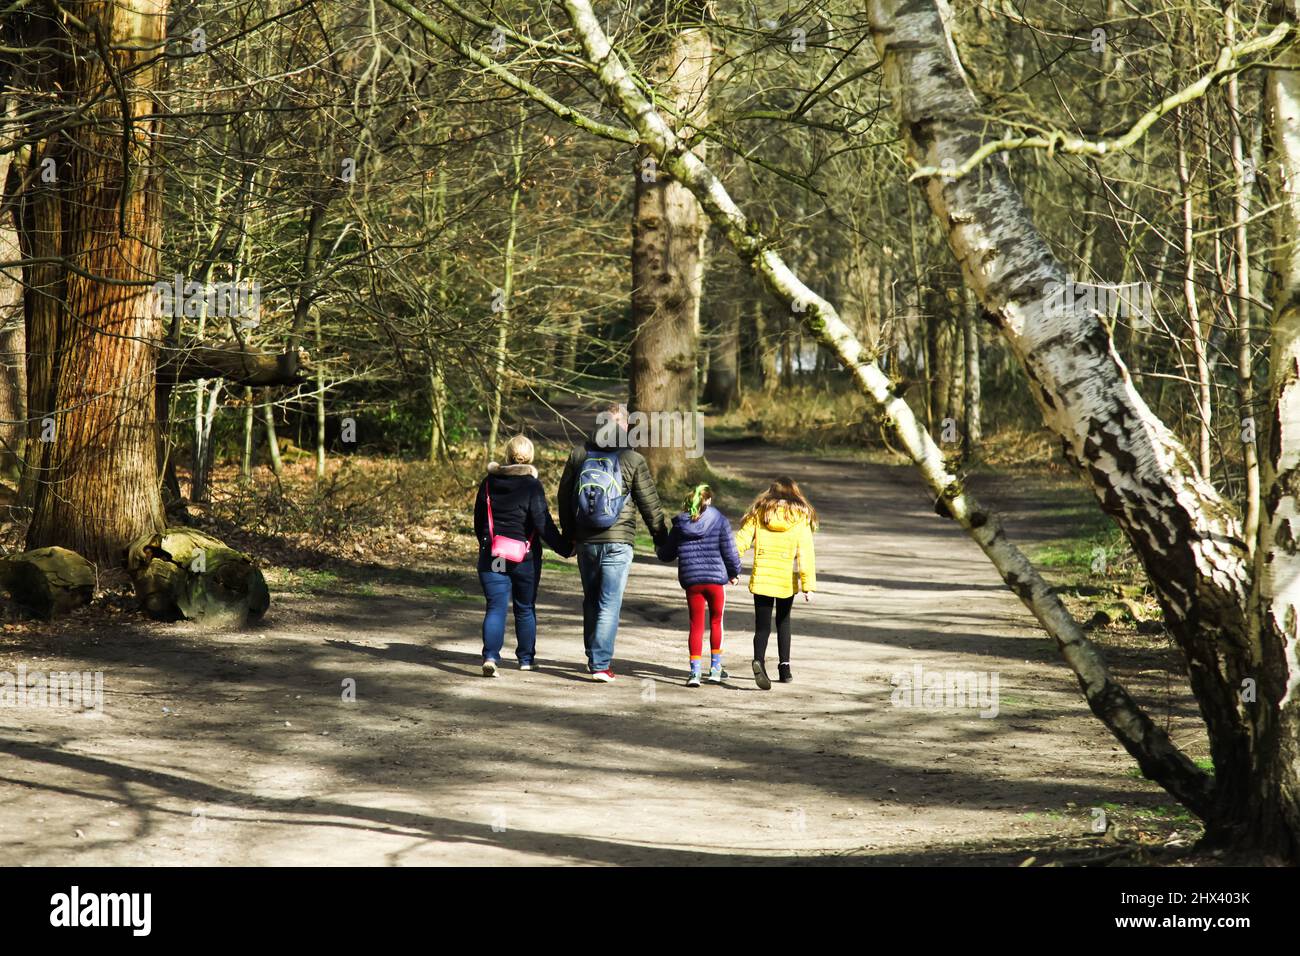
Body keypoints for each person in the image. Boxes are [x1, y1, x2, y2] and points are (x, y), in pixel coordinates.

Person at [558, 402, 668, 682]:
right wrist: (660, 537)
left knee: (592, 600)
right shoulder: (631, 458)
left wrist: (569, 534)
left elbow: (564, 498)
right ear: (622, 426)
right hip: (619, 540)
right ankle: (600, 664)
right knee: (609, 603)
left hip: (585, 540)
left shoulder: (579, 454)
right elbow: (649, 503)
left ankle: (593, 655)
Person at [473, 435, 570, 677]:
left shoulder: (488, 483)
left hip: (493, 554)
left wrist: (487, 545)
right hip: (524, 558)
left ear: (507, 455)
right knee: (525, 607)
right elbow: (542, 523)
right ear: (531, 457)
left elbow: (478, 521)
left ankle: (491, 657)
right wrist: (566, 548)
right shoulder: (532, 486)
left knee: (495, 607)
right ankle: (526, 659)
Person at [734, 477, 818, 690]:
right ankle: (784, 667)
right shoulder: (800, 516)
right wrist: (807, 585)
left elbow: (740, 541)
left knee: (762, 626)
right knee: (783, 621)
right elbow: (805, 552)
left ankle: (758, 660)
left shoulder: (760, 512)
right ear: (794, 493)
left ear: (770, 492)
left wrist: (730, 568)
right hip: (784, 580)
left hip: (762, 577)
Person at [658, 484, 741, 687]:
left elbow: (667, 554)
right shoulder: (719, 520)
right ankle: (715, 669)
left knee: (695, 625)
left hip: (692, 581)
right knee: (716, 621)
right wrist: (734, 572)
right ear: (709, 500)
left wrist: (659, 546)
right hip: (714, 581)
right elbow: (729, 550)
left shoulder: (680, 525)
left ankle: (694, 672)